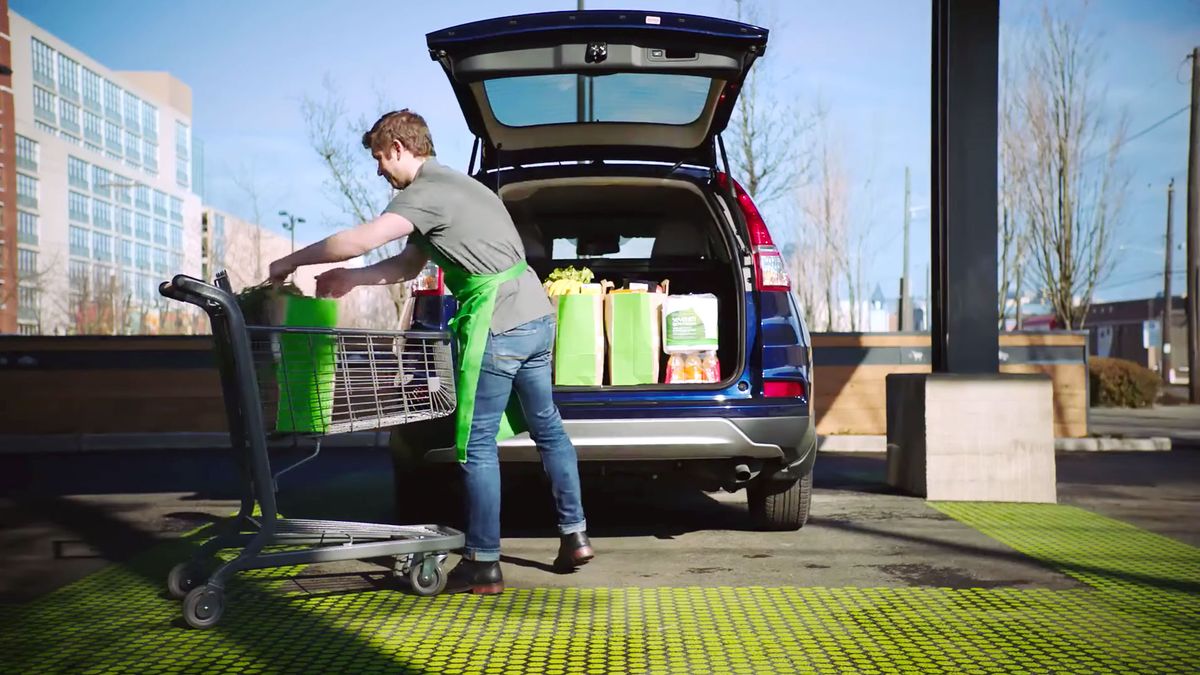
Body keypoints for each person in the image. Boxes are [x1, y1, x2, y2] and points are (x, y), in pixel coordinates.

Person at [268, 109, 593, 595]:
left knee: (477, 444)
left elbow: (360, 239)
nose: (380, 171)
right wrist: (352, 279)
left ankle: (483, 563)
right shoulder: (463, 188)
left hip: (499, 323)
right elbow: (405, 264)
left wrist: (291, 259)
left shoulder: (424, 193)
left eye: (381, 159)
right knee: (548, 426)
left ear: (399, 148)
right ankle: (576, 535)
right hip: (537, 316)